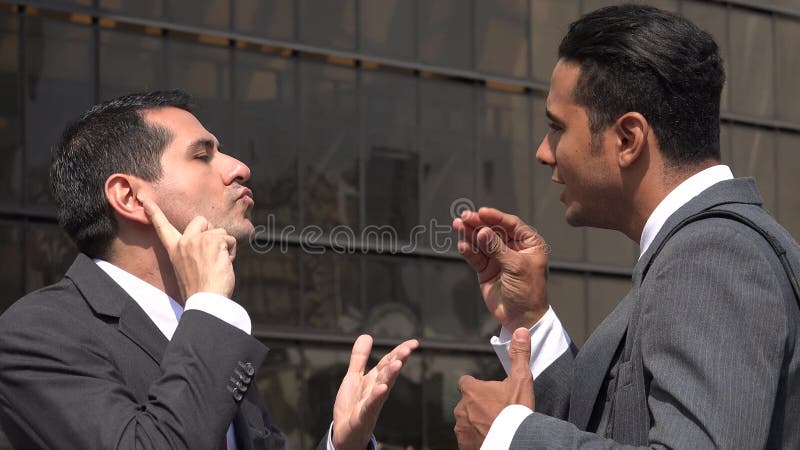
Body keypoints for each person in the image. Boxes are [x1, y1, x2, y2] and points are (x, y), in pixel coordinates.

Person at [452, 4, 800, 449]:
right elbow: (611, 430)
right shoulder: (703, 251)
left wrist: (510, 435)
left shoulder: (713, 255)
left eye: (558, 128)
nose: (544, 152)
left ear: (628, 139)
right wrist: (530, 320)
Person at [0, 90, 419, 450]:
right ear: (129, 196)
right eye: (202, 155)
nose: (239, 168)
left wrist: (341, 446)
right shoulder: (37, 334)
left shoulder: (206, 332)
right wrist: (210, 310)